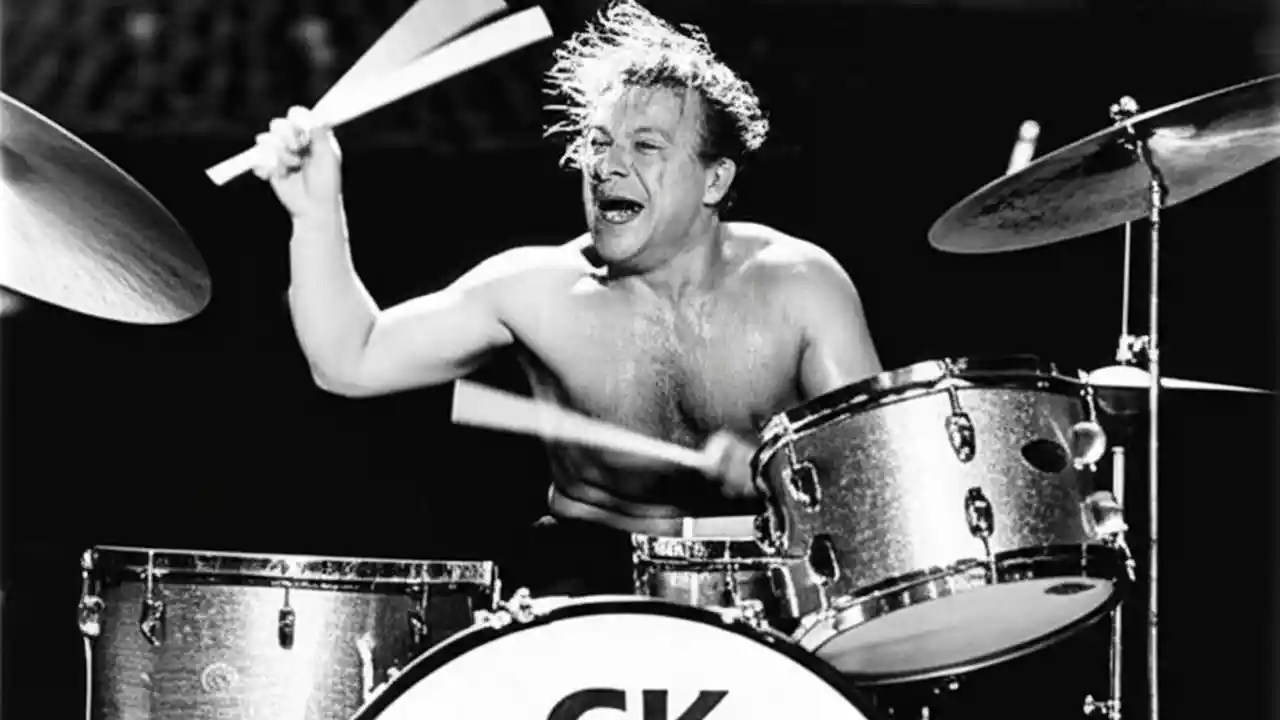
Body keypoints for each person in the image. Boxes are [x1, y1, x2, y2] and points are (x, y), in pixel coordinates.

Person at [251, 0, 882, 597]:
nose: (607, 165)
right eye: (598, 142)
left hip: (769, 584)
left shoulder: (801, 287)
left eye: (646, 146)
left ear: (715, 179)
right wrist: (314, 211)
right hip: (585, 580)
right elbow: (348, 360)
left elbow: (880, 482)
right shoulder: (538, 292)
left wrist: (785, 475)